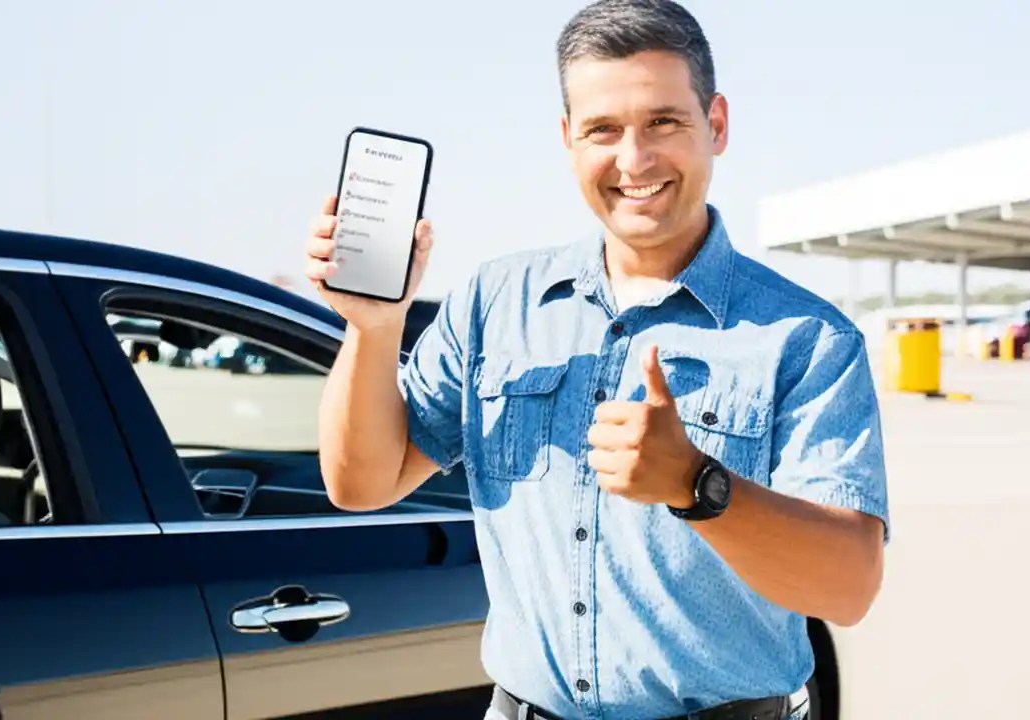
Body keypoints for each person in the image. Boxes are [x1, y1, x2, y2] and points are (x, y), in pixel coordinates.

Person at [303, 1, 890, 718]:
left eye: (663, 123)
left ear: (718, 125)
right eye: (603, 130)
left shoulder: (807, 337)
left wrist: (696, 484)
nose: (634, 160)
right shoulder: (495, 303)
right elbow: (361, 482)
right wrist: (373, 328)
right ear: (568, 139)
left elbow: (849, 586)